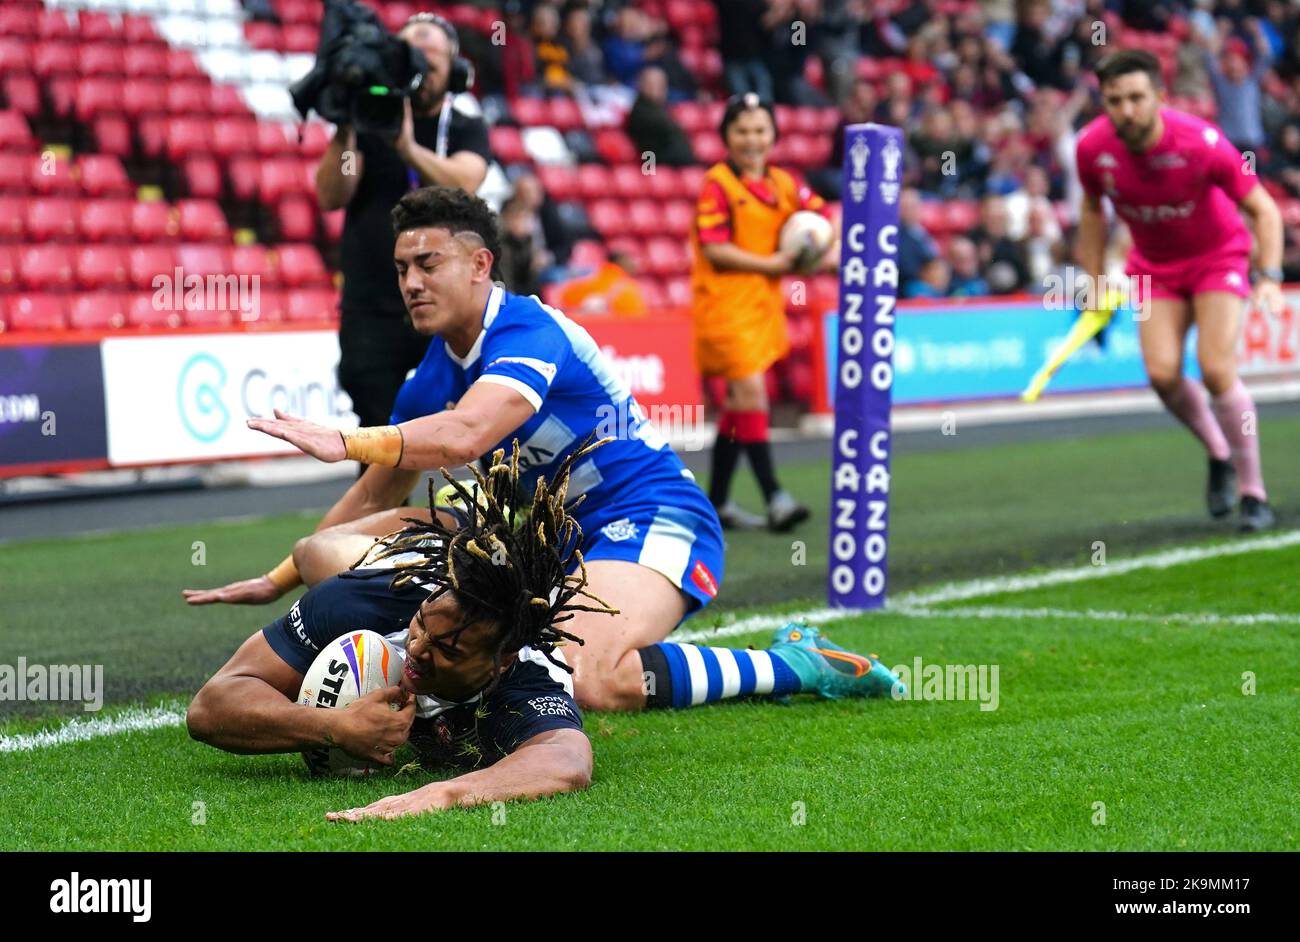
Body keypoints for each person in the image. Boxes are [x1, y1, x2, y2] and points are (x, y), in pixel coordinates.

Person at [185, 186, 900, 714]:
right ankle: (409, 680)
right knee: (324, 556)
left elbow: (466, 434)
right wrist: (279, 578)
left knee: (596, 682)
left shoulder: (531, 333)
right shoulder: (426, 377)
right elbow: (375, 493)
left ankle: (793, 663)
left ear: (479, 265)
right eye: (402, 268)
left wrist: (341, 438)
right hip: (534, 544)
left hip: (646, 518)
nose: (410, 282)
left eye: (428, 263)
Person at [185, 448, 608, 822]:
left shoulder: (528, 670)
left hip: (498, 587)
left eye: (446, 648)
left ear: (500, 661)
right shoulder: (363, 601)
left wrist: (444, 793)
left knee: (608, 684)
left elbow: (565, 760)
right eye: (422, 624)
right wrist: (332, 726)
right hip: (401, 555)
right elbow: (210, 708)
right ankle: (460, 515)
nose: (418, 648)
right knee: (312, 552)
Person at [1075, 49, 1283, 531]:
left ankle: (1254, 493)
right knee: (1163, 374)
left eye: (1136, 98)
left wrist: (1268, 277)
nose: (1126, 110)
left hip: (1219, 260)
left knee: (1215, 368)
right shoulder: (1091, 149)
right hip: (1154, 268)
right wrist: (1095, 280)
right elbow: (1090, 211)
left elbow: (1265, 210)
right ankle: (1218, 453)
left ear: (1159, 97)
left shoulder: (1202, 142)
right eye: (1114, 100)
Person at [315, 12, 491, 455]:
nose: (421, 65)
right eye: (411, 54)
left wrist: (408, 147)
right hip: (372, 307)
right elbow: (331, 194)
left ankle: (494, 520)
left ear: (454, 69)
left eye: (431, 55)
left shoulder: (465, 124)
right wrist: (347, 128)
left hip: (449, 306)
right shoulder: (367, 123)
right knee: (374, 434)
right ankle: (378, 526)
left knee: (479, 425)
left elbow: (464, 183)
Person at [690, 93, 836, 532]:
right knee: (752, 396)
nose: (752, 139)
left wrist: (823, 249)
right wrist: (775, 264)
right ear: (727, 137)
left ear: (772, 135)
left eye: (760, 130)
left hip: (762, 306)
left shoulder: (783, 183)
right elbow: (715, 248)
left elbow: (819, 216)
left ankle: (716, 503)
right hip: (724, 305)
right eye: (742, 131)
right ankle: (776, 497)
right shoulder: (717, 183)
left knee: (740, 406)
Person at [625, 65, 695, 168]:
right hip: (656, 165)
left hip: (675, 164)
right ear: (641, 85)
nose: (660, 89)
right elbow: (648, 153)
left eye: (662, 85)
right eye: (653, 84)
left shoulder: (660, 109)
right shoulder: (641, 112)